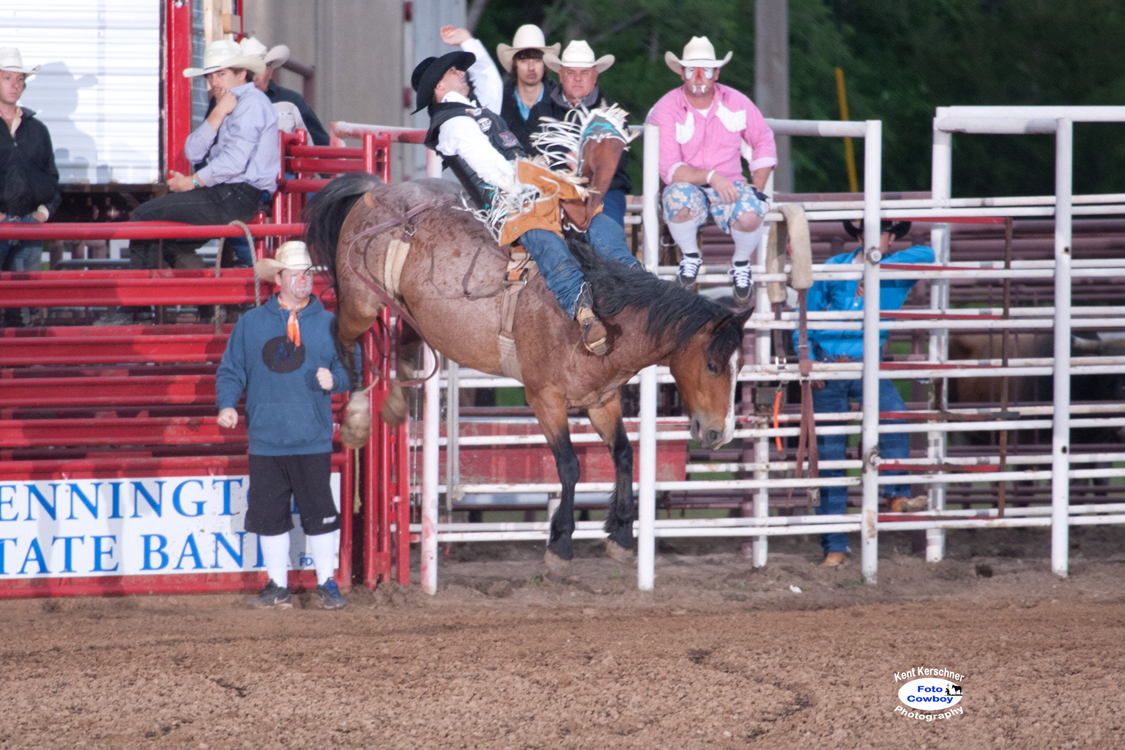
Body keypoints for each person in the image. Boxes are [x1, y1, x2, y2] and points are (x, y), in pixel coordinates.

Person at [411, 26, 639, 356]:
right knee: (545, 238)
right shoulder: (452, 124)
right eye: (453, 70)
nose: (462, 72)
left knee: (595, 216)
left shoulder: (472, 109)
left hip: (530, 183)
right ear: (440, 86)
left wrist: (468, 41)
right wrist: (533, 184)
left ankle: (632, 280)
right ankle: (583, 310)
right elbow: (490, 167)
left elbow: (487, 76)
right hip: (510, 200)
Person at [215, 241, 351, 609]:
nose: (304, 281)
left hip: (312, 437)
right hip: (267, 438)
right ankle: (277, 584)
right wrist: (227, 404)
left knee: (320, 512)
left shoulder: (329, 324)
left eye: (308, 274)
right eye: (296, 274)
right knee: (269, 514)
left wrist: (335, 381)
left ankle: (327, 582)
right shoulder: (252, 324)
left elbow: (347, 370)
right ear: (278, 279)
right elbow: (232, 370)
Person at [799, 220, 934, 566]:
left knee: (893, 413)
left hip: (865, 364)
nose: (877, 238)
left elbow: (928, 253)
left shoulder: (895, 270)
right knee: (829, 457)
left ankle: (895, 493)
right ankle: (835, 545)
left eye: (884, 234)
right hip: (828, 366)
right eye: (871, 233)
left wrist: (876, 269)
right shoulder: (832, 268)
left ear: (890, 240)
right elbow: (808, 312)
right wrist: (808, 361)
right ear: (859, 236)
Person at [126, 40, 279, 274]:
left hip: (235, 194)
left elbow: (233, 162)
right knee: (168, 241)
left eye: (221, 73)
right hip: (228, 194)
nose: (214, 82)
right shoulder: (227, 103)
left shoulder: (250, 104)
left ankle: (136, 305)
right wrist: (217, 113)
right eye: (210, 76)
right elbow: (194, 152)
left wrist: (190, 182)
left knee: (144, 215)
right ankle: (209, 307)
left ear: (241, 74)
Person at [646, 36, 777, 306]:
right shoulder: (665, 109)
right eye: (691, 70)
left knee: (752, 210)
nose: (698, 77)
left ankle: (741, 263)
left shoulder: (737, 102)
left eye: (705, 70)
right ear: (681, 73)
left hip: (731, 185)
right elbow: (669, 169)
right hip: (691, 186)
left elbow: (763, 139)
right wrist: (710, 176)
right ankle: (690, 257)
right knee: (676, 198)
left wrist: (758, 185)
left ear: (716, 73)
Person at [526, 40, 631, 227]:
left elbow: (617, 160)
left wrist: (581, 161)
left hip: (604, 191)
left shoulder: (612, 112)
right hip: (552, 189)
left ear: (594, 76)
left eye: (584, 72)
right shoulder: (541, 111)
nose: (577, 78)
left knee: (606, 231)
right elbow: (530, 153)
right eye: (570, 72)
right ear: (560, 75)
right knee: (540, 230)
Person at [0, 47, 59, 276]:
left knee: (25, 297)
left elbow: (51, 177)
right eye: (7, 78)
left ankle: (27, 313)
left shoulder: (37, 129)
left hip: (28, 224)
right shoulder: (37, 128)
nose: (15, 84)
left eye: (20, 78)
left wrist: (43, 213)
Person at [238, 36, 328, 145]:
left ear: (270, 71)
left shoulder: (292, 101)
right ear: (239, 75)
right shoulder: (226, 103)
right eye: (249, 72)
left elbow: (320, 144)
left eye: (259, 70)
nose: (254, 77)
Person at [495, 24, 559, 153]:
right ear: (514, 65)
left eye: (537, 61)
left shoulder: (560, 100)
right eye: (524, 61)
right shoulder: (498, 101)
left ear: (545, 64)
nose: (531, 68)